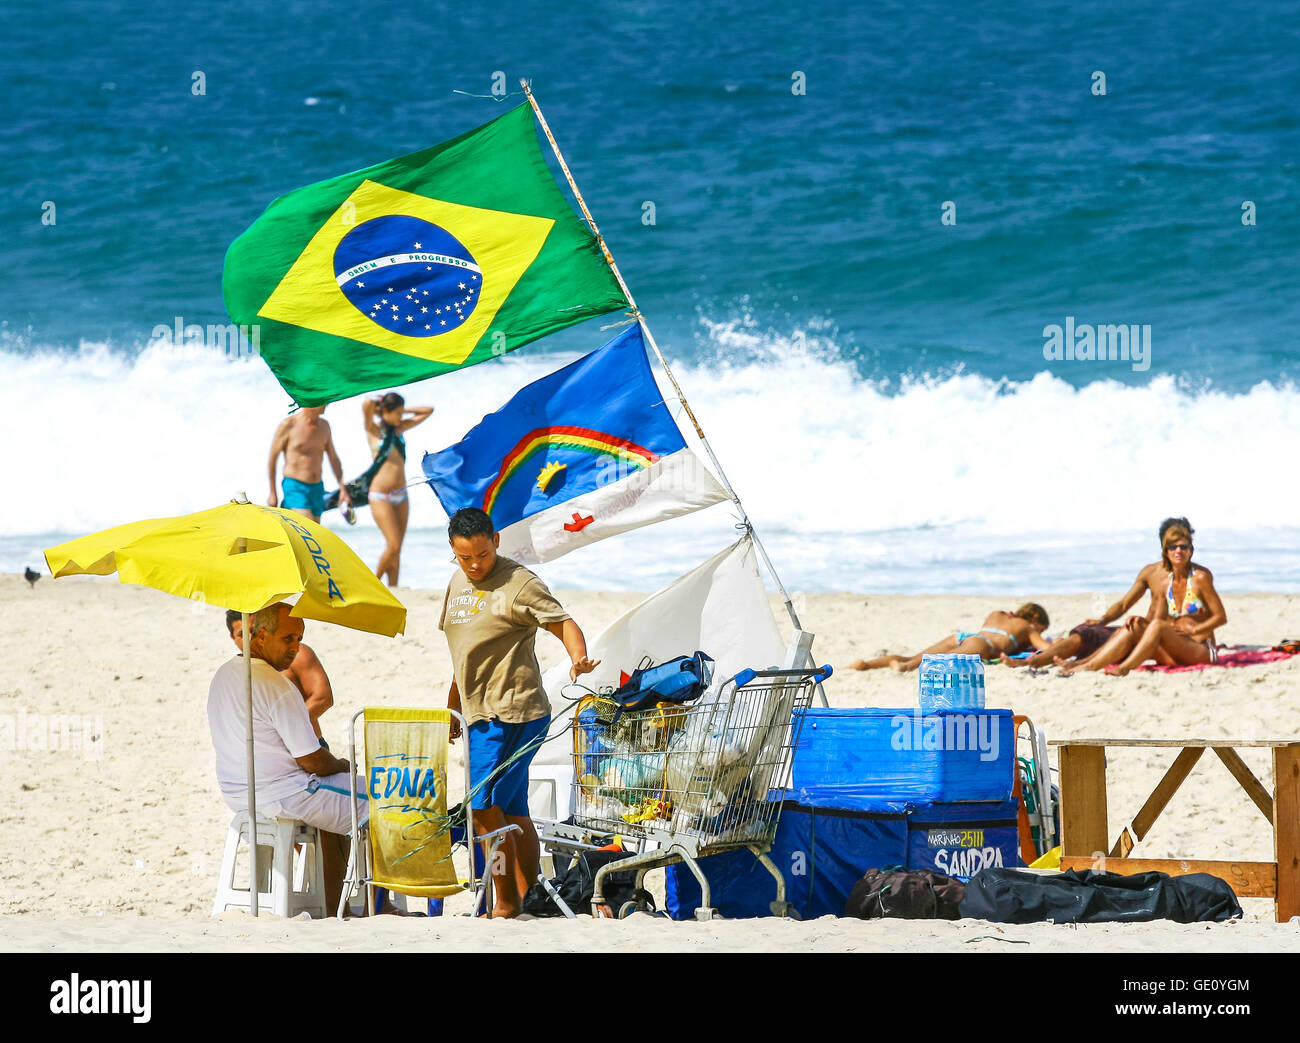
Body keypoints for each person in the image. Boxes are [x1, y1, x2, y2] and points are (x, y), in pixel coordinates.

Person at [439, 507, 598, 917]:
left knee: (481, 808)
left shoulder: (519, 582)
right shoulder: (457, 582)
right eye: (465, 557)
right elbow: (464, 654)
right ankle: (531, 897)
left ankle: (505, 900)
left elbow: (562, 622)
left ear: (496, 540)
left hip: (514, 712)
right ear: (454, 552)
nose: (475, 564)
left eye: (482, 554)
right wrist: (454, 707)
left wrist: (578, 658)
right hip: (477, 715)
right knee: (510, 810)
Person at [207, 602, 364, 914]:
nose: (296, 647)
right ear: (262, 636)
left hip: (239, 793)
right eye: (289, 639)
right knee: (382, 797)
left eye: (299, 639)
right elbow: (313, 762)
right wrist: (343, 765)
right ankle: (378, 902)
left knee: (337, 806)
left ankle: (335, 907)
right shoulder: (276, 686)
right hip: (286, 793)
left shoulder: (224, 674)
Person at [1058, 518, 1226, 674]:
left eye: (1183, 547)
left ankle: (1123, 668)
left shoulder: (1200, 577)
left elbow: (1221, 617)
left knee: (1158, 626)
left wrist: (1195, 629)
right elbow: (1128, 606)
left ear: (1191, 550)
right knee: (1134, 625)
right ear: (1165, 551)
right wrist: (1126, 622)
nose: (1178, 551)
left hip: (1202, 650)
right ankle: (1084, 665)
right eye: (1173, 547)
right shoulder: (1165, 582)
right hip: (1175, 652)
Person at [225, 609, 334, 741]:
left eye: (253, 631)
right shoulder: (236, 671)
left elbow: (322, 698)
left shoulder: (295, 653)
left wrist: (282, 732)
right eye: (242, 634)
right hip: (264, 754)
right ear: (232, 637)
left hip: (307, 747)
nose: (249, 639)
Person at [847, 603, 1051, 672]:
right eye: (1041, 628)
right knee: (927, 663)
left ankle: (866, 664)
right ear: (1034, 618)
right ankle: (903, 668)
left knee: (914, 657)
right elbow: (1045, 647)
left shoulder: (998, 613)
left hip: (963, 636)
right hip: (983, 644)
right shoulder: (1027, 627)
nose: (1038, 632)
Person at [363, 393, 433, 587]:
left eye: (401, 412)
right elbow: (366, 404)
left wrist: (402, 411)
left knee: (397, 548)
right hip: (380, 495)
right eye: (397, 412)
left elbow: (428, 411)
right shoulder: (373, 430)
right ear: (385, 411)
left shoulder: (399, 429)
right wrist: (379, 405)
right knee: (393, 545)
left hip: (401, 495)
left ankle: (393, 588)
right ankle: (372, 585)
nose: (400, 417)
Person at [267, 406, 351, 523]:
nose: (326, 404)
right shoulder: (289, 425)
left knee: (313, 533)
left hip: (317, 489)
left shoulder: (324, 426)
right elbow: (272, 459)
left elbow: (333, 458)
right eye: (321, 400)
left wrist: (343, 488)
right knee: (308, 527)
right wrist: (273, 493)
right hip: (295, 487)